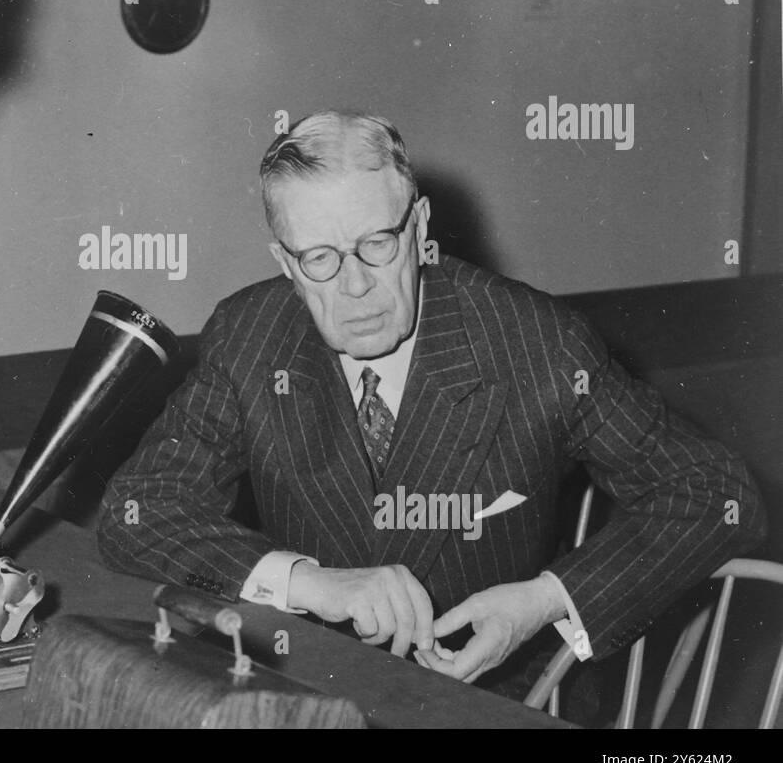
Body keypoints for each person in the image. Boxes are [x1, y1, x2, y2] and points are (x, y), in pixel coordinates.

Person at [97, 110, 767, 709]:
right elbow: (138, 511)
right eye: (321, 260)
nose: (356, 286)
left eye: (378, 244)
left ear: (418, 229)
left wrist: (542, 602)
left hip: (502, 695)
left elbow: (715, 494)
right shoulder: (250, 336)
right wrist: (312, 584)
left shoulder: (533, 341)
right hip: (307, 691)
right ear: (286, 263)